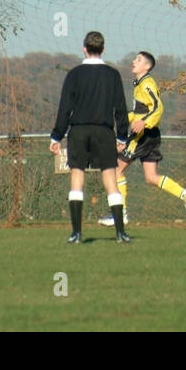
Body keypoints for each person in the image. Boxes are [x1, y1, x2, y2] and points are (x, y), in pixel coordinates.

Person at [98, 51, 186, 227]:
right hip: (150, 135)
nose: (133, 61)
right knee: (151, 177)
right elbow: (141, 112)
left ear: (147, 66)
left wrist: (143, 123)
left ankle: (120, 215)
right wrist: (122, 117)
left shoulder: (147, 84)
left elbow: (158, 108)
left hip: (143, 136)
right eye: (134, 59)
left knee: (116, 170)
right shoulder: (140, 84)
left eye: (138, 60)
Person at [50, 31, 132, 244]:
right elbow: (120, 109)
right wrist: (122, 136)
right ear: (103, 49)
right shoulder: (112, 74)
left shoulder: (74, 74)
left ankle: (76, 233)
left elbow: (64, 108)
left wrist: (57, 136)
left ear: (84, 48)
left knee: (77, 178)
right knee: (110, 180)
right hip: (104, 131)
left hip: (78, 130)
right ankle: (120, 234)